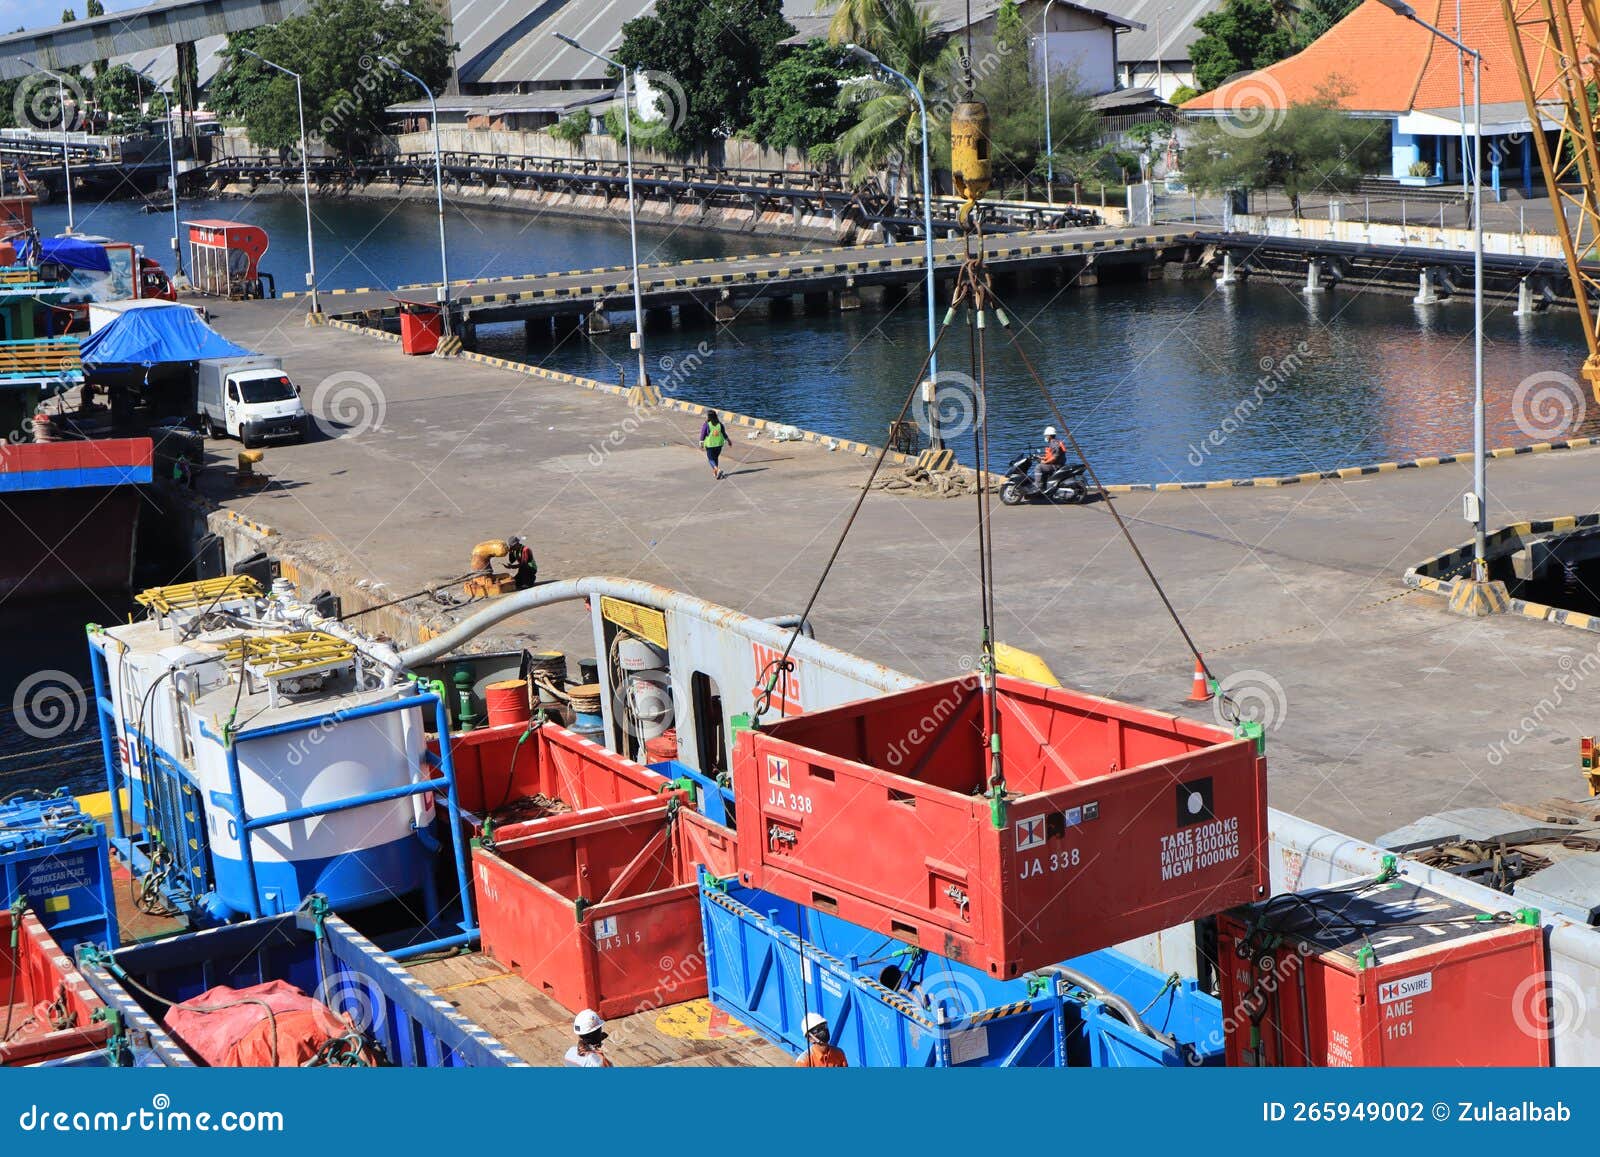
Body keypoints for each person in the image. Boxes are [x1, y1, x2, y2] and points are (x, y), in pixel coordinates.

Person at [1033, 426, 1065, 491]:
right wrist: (1041, 458)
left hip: (1056, 465)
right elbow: (1051, 455)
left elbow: (1055, 457)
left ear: (1049, 436)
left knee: (1038, 467)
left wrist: (1045, 462)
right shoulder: (1054, 442)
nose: (1045, 437)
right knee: (1041, 463)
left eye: (1046, 436)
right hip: (1056, 463)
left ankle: (1038, 486)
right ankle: (1044, 484)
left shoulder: (1054, 444)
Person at [701, 410, 728, 480]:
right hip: (719, 444)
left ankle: (717, 470)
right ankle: (715, 473)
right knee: (715, 458)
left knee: (710, 459)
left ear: (709, 417)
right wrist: (728, 440)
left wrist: (701, 442)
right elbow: (724, 433)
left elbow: (703, 434)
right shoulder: (720, 424)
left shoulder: (706, 424)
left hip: (710, 445)